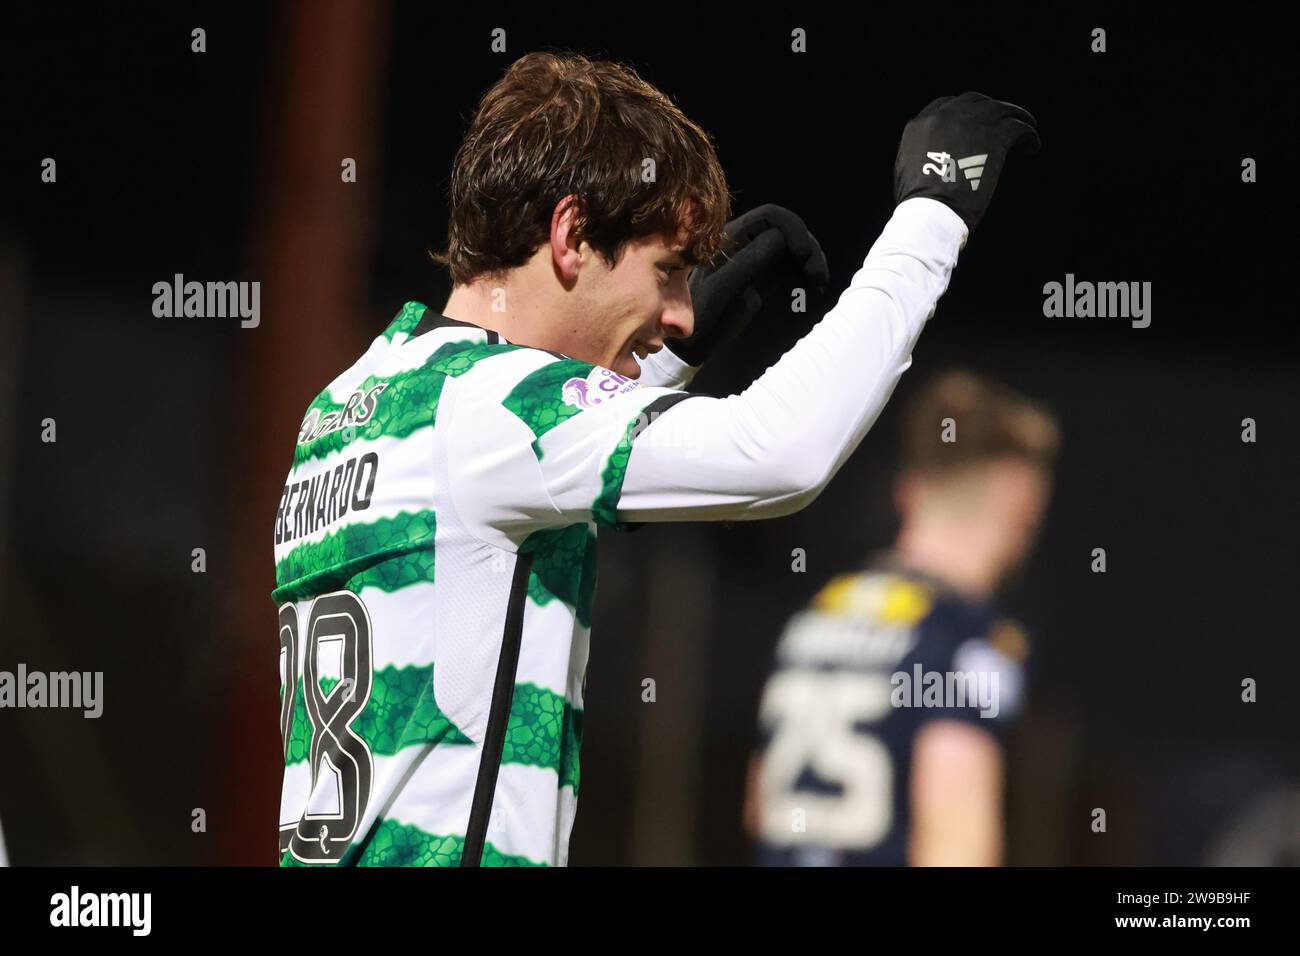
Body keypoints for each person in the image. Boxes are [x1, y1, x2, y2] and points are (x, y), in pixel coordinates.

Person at [272, 50, 1039, 866]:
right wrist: (930, 218)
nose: (681, 314)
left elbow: (502, 508)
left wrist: (664, 364)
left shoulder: (352, 404)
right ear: (572, 235)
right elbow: (779, 454)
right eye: (667, 271)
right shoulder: (498, 408)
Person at [745, 369, 1060, 865]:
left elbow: (760, 807)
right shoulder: (968, 637)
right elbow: (955, 844)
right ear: (1020, 499)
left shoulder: (818, 613)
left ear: (908, 490)